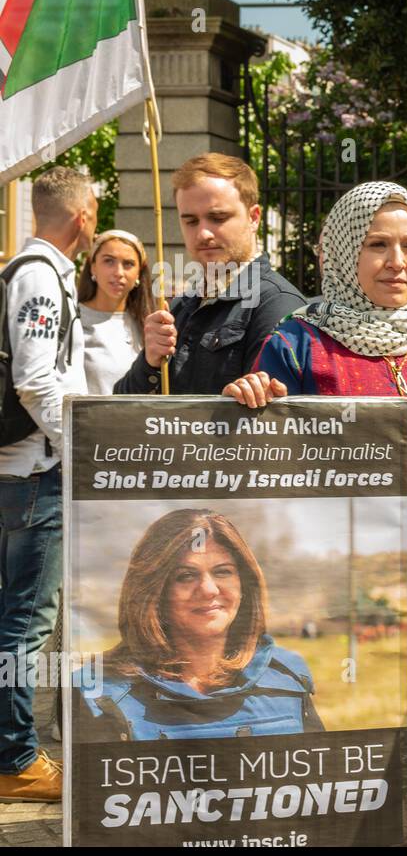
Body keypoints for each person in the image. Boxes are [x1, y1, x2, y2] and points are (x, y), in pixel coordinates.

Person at [222, 181, 407, 847]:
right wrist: (248, 399)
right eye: (377, 244)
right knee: (345, 724)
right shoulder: (298, 345)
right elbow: (258, 465)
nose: (397, 261)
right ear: (344, 252)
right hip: (337, 580)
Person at [0, 167, 94, 803]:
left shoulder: (29, 271)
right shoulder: (39, 277)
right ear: (84, 217)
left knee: (15, 618)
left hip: (23, 469)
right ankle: (15, 761)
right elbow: (37, 379)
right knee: (26, 623)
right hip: (36, 471)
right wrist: (74, 448)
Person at [76, 509, 322, 741]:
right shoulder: (95, 691)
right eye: (186, 576)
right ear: (153, 592)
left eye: (223, 572)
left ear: (244, 585)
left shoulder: (289, 676)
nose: (208, 590)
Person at [115, 153, 303, 395]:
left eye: (217, 218)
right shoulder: (183, 304)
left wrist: (228, 407)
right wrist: (149, 363)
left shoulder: (279, 304)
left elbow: (278, 422)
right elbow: (120, 408)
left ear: (254, 217)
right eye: (191, 221)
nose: (203, 234)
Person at [75, 229, 156, 394]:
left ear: (139, 272)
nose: (118, 273)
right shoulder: (72, 318)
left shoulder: (149, 324)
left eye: (128, 264)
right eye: (109, 261)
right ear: (93, 267)